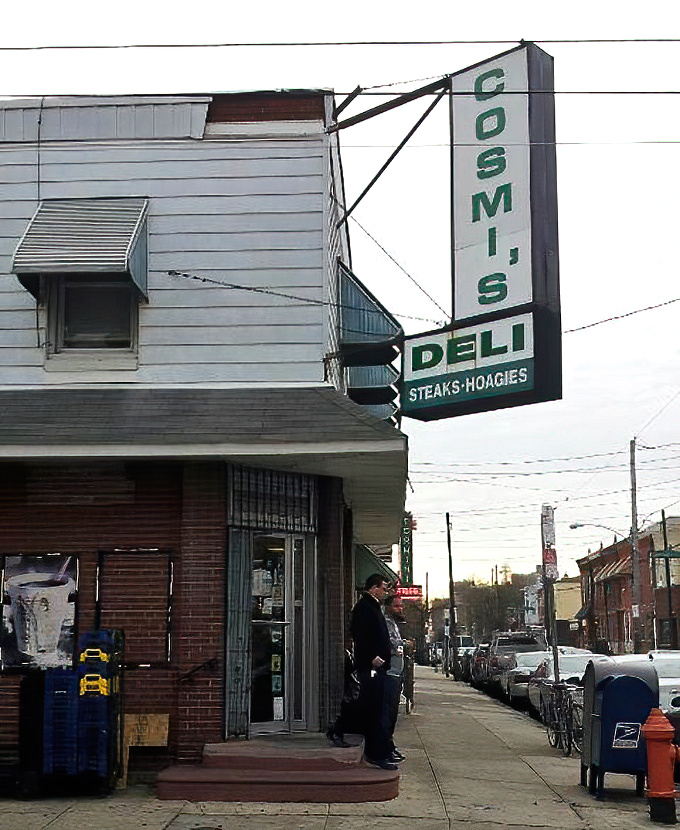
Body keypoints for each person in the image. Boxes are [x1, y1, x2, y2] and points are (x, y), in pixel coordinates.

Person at [349, 573, 396, 770]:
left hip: (379, 666)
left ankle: (382, 749)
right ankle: (376, 753)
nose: (385, 592)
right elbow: (359, 635)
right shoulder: (363, 607)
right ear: (373, 587)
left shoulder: (373, 606)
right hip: (371, 667)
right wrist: (371, 658)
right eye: (383, 588)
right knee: (374, 709)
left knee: (379, 708)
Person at [382, 593, 407, 763]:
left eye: (401, 606)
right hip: (389, 673)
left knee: (392, 714)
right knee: (387, 714)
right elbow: (390, 645)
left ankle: (389, 745)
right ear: (388, 607)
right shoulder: (386, 622)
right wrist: (403, 646)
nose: (400, 609)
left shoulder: (394, 624)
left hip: (396, 673)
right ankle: (384, 748)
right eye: (397, 606)